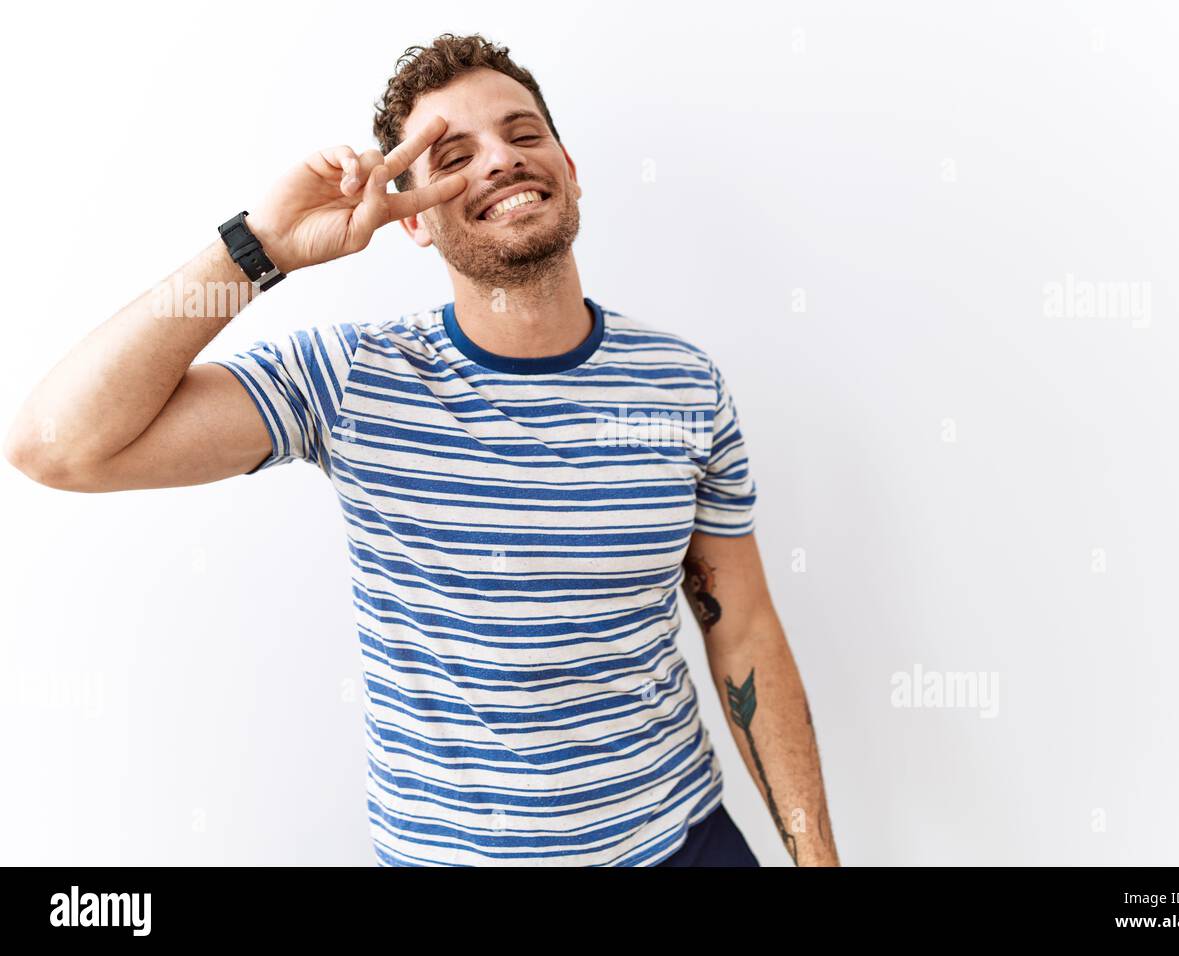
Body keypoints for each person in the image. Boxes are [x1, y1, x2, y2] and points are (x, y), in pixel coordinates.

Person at [4, 32, 838, 867]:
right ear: (413, 220)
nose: (501, 161)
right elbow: (56, 446)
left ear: (569, 167)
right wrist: (259, 247)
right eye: (453, 157)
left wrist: (815, 855)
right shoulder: (348, 378)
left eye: (522, 134)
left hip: (683, 840)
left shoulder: (683, 384)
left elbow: (745, 630)